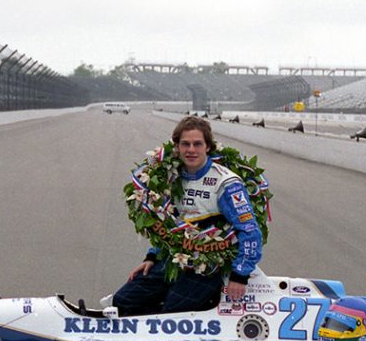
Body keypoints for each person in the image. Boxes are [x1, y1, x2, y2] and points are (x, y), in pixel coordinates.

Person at [108, 116, 263, 316]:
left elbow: (250, 231)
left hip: (207, 266)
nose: (191, 150)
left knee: (172, 310)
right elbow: (168, 225)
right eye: (185, 144)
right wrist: (153, 257)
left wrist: (239, 276)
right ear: (177, 147)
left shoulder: (226, 183)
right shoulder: (170, 176)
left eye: (197, 144)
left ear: (208, 147)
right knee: (124, 300)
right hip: (175, 259)